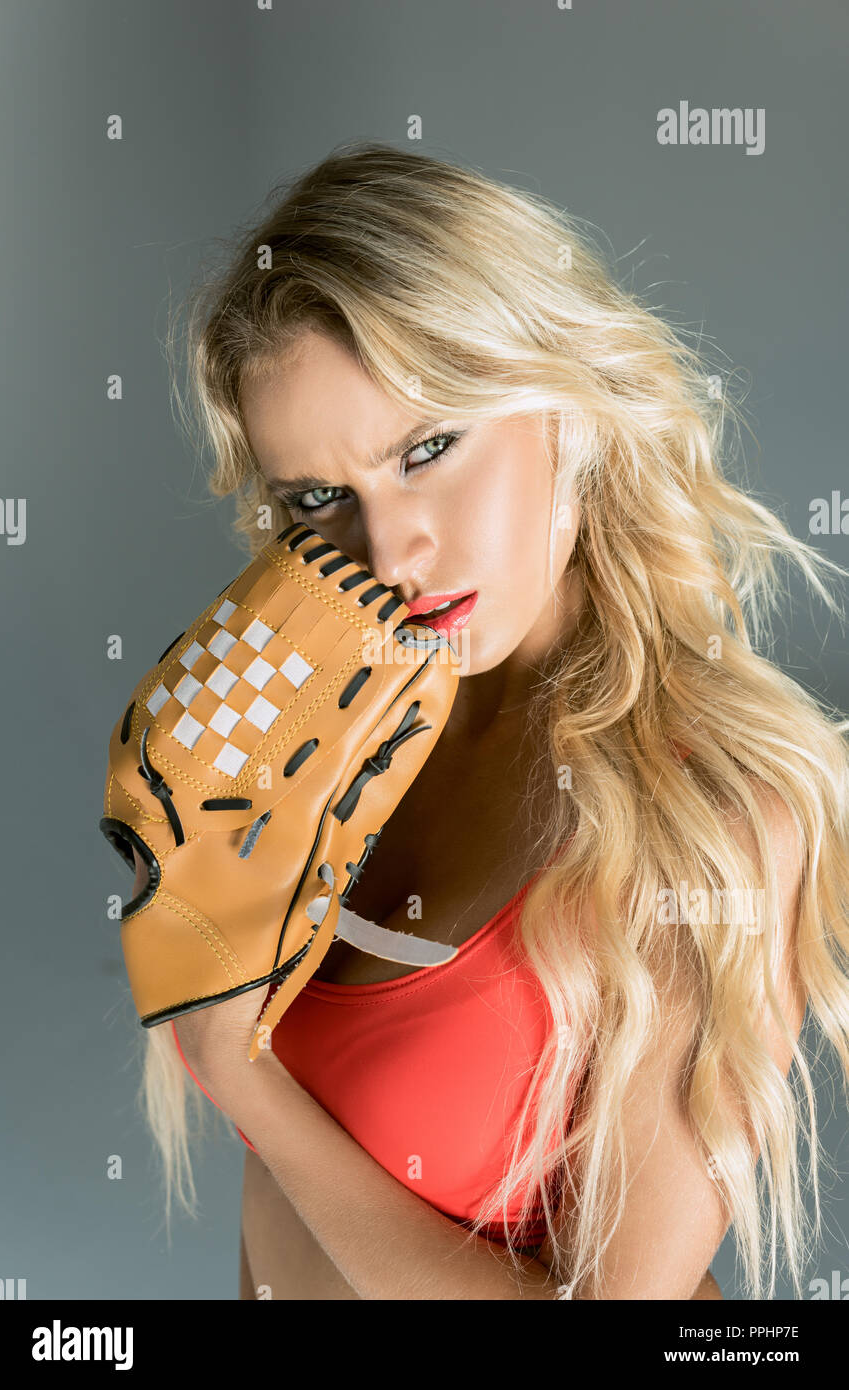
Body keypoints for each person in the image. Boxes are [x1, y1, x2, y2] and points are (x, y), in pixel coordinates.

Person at [131, 141, 849, 1300]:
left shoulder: (711, 811)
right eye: (321, 498)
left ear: (565, 406)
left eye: (427, 448)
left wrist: (237, 1068)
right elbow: (294, 1218)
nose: (394, 548)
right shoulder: (328, 737)